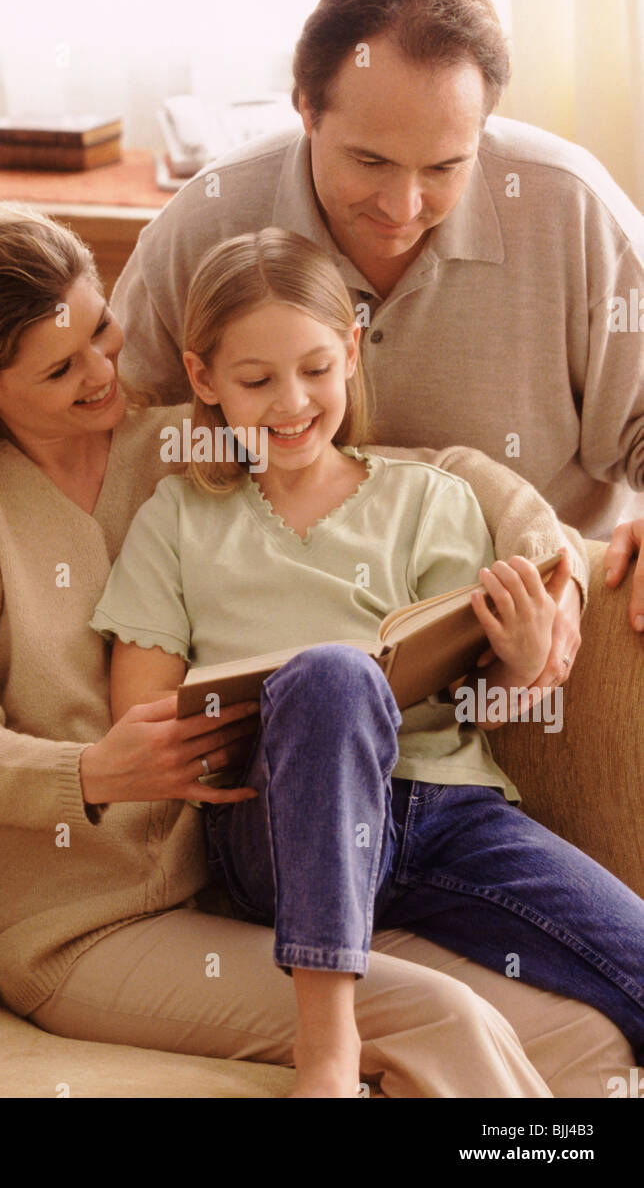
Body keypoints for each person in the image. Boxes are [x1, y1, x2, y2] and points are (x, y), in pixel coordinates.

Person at [0, 200, 618, 1099]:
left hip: (240, 885)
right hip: (87, 930)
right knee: (440, 1016)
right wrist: (94, 773)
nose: (106, 374)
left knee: (586, 1044)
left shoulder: (171, 442)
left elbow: (417, 468)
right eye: (63, 369)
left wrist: (558, 567)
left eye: (103, 330)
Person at [88, 227, 644, 1098]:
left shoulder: (429, 499)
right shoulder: (177, 520)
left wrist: (525, 663)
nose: (292, 402)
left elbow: (473, 708)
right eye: (255, 380)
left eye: (316, 368)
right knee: (334, 676)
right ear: (203, 380)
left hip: (443, 811)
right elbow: (146, 719)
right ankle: (329, 1046)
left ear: (351, 348)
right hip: (276, 829)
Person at [103, 0, 644, 645]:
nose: (403, 206)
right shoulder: (208, 220)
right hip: (274, 634)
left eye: (446, 166)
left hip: (536, 619)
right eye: (370, 161)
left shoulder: (573, 209)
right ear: (305, 108)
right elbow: (106, 418)